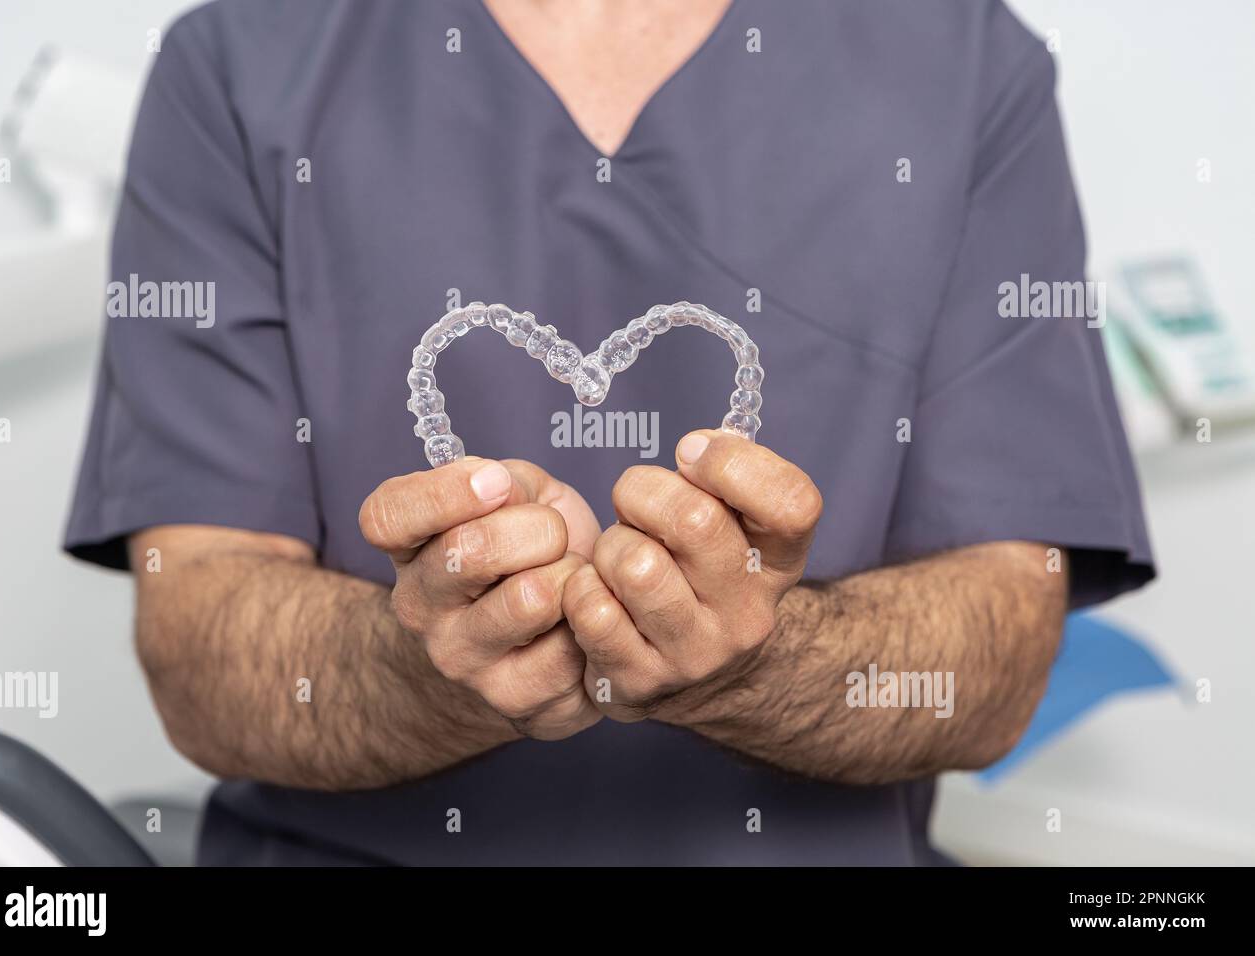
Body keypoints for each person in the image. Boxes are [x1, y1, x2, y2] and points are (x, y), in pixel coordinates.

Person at [64, 0, 1154, 865]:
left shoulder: (964, 65)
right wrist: (435, 664)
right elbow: (197, 636)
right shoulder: (237, 66)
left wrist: (746, 663)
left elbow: (1002, 635)